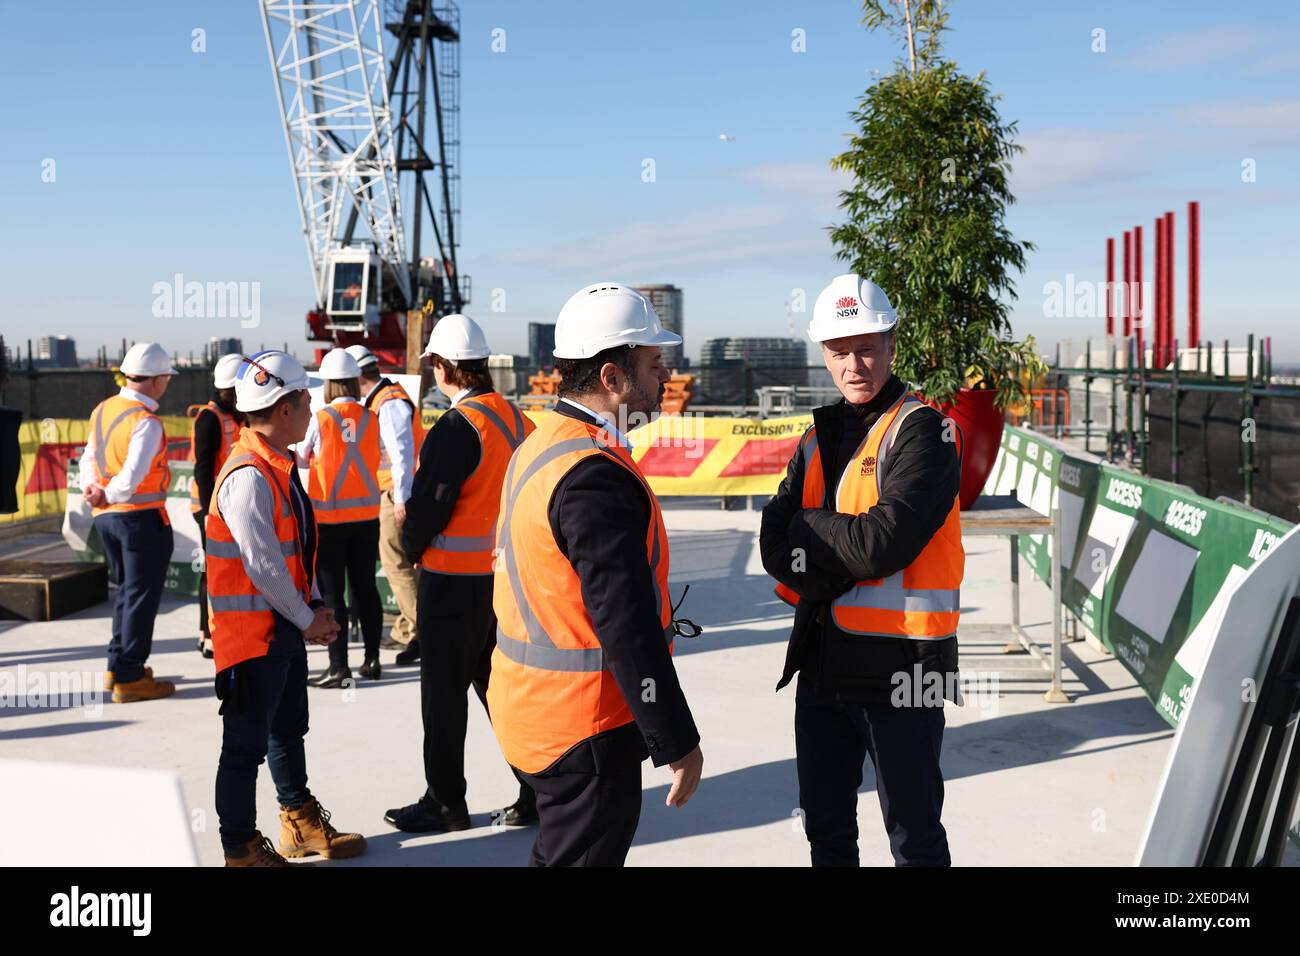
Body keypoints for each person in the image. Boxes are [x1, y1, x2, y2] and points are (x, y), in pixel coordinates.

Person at [488, 283, 704, 867]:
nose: (666, 376)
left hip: (531, 708)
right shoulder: (591, 473)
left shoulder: (544, 445)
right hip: (583, 727)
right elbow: (626, 621)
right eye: (654, 363)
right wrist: (676, 739)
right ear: (613, 378)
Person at [760, 274, 965, 868]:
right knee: (826, 833)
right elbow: (773, 541)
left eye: (868, 348)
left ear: (892, 346)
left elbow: (881, 545)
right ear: (824, 355)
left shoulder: (923, 430)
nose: (855, 364)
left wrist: (810, 526)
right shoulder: (816, 434)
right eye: (840, 351)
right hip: (823, 666)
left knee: (915, 836)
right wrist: (822, 542)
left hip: (906, 670)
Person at [210, 350, 367, 867]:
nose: (312, 408)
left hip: (278, 629)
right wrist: (307, 618)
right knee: (244, 749)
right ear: (285, 407)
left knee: (285, 730)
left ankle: (298, 821)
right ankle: (240, 848)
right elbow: (263, 566)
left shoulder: (277, 465)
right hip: (252, 636)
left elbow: (294, 549)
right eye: (306, 399)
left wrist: (314, 607)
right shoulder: (249, 475)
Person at [386, 315, 537, 833]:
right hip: (507, 583)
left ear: (443, 367)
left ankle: (446, 802)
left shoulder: (455, 426)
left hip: (453, 585)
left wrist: (408, 541)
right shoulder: (517, 420)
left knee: (444, 700)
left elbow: (430, 507)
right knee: (505, 693)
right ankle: (538, 790)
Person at [83, 342, 177, 703]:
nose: (167, 383)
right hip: (139, 520)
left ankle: (117, 666)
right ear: (154, 381)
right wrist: (110, 494)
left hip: (108, 519)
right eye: (166, 378)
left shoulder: (104, 409)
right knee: (139, 598)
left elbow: (89, 456)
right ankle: (131, 675)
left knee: (126, 593)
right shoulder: (146, 422)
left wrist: (94, 491)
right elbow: (133, 475)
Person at [295, 348, 384, 687]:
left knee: (333, 594)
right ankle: (372, 660)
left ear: (329, 383)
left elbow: (302, 458)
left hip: (329, 520)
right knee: (365, 588)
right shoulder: (370, 417)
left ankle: (339, 666)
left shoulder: (321, 418)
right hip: (366, 517)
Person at [349, 344, 423, 664]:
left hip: (395, 492)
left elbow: (401, 455)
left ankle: (422, 630)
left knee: (395, 562)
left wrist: (401, 499)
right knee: (401, 561)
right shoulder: (383, 398)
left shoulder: (388, 403)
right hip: (394, 490)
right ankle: (406, 630)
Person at [189, 353, 245, 659]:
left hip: (232, 505)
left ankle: (213, 629)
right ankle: (208, 633)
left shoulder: (238, 415)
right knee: (213, 571)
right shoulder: (209, 418)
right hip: (210, 507)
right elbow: (203, 468)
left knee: (225, 570)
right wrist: (212, 513)